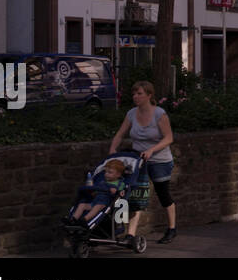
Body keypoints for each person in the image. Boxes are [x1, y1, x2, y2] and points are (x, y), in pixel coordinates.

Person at [110, 81, 177, 246]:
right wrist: (112, 150)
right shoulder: (131, 114)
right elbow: (120, 134)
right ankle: (130, 234)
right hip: (138, 161)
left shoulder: (159, 114)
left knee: (163, 194)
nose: (135, 97)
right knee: (134, 195)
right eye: (134, 94)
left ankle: (171, 228)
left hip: (159, 160)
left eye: (139, 94)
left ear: (149, 95)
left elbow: (169, 138)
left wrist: (152, 150)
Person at [64, 158, 126, 226]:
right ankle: (73, 219)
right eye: (105, 172)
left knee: (97, 207)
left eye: (110, 172)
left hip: (105, 203)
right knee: (82, 205)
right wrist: (94, 192)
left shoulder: (120, 183)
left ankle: (85, 220)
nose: (106, 174)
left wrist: (116, 191)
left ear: (118, 174)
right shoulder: (102, 182)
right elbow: (96, 191)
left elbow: (121, 193)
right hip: (94, 201)